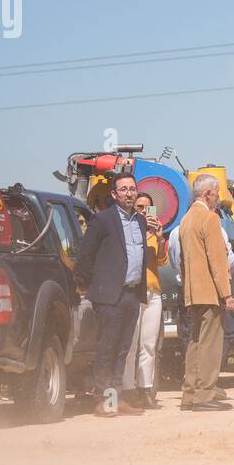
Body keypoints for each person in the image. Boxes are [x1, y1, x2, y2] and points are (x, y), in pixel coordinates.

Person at [74, 173, 148, 417]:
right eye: (124, 189)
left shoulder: (140, 221)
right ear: (115, 195)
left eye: (132, 189)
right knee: (107, 347)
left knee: (122, 349)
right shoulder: (102, 220)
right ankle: (102, 400)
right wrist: (95, 285)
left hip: (132, 294)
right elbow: (85, 255)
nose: (129, 193)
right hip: (109, 297)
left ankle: (117, 398)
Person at [178, 173, 234, 412]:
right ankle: (204, 395)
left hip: (192, 292)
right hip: (210, 292)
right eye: (217, 193)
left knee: (195, 343)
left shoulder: (186, 219)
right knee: (211, 345)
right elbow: (218, 260)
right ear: (208, 194)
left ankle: (190, 393)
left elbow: (182, 260)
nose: (218, 198)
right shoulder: (210, 219)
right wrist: (227, 294)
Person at [120, 191, 167, 409]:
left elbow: (162, 260)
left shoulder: (153, 233)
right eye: (139, 207)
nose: (142, 212)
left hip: (152, 291)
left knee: (148, 344)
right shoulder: (129, 232)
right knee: (130, 343)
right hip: (133, 292)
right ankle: (128, 388)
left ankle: (146, 387)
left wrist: (158, 236)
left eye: (147, 208)